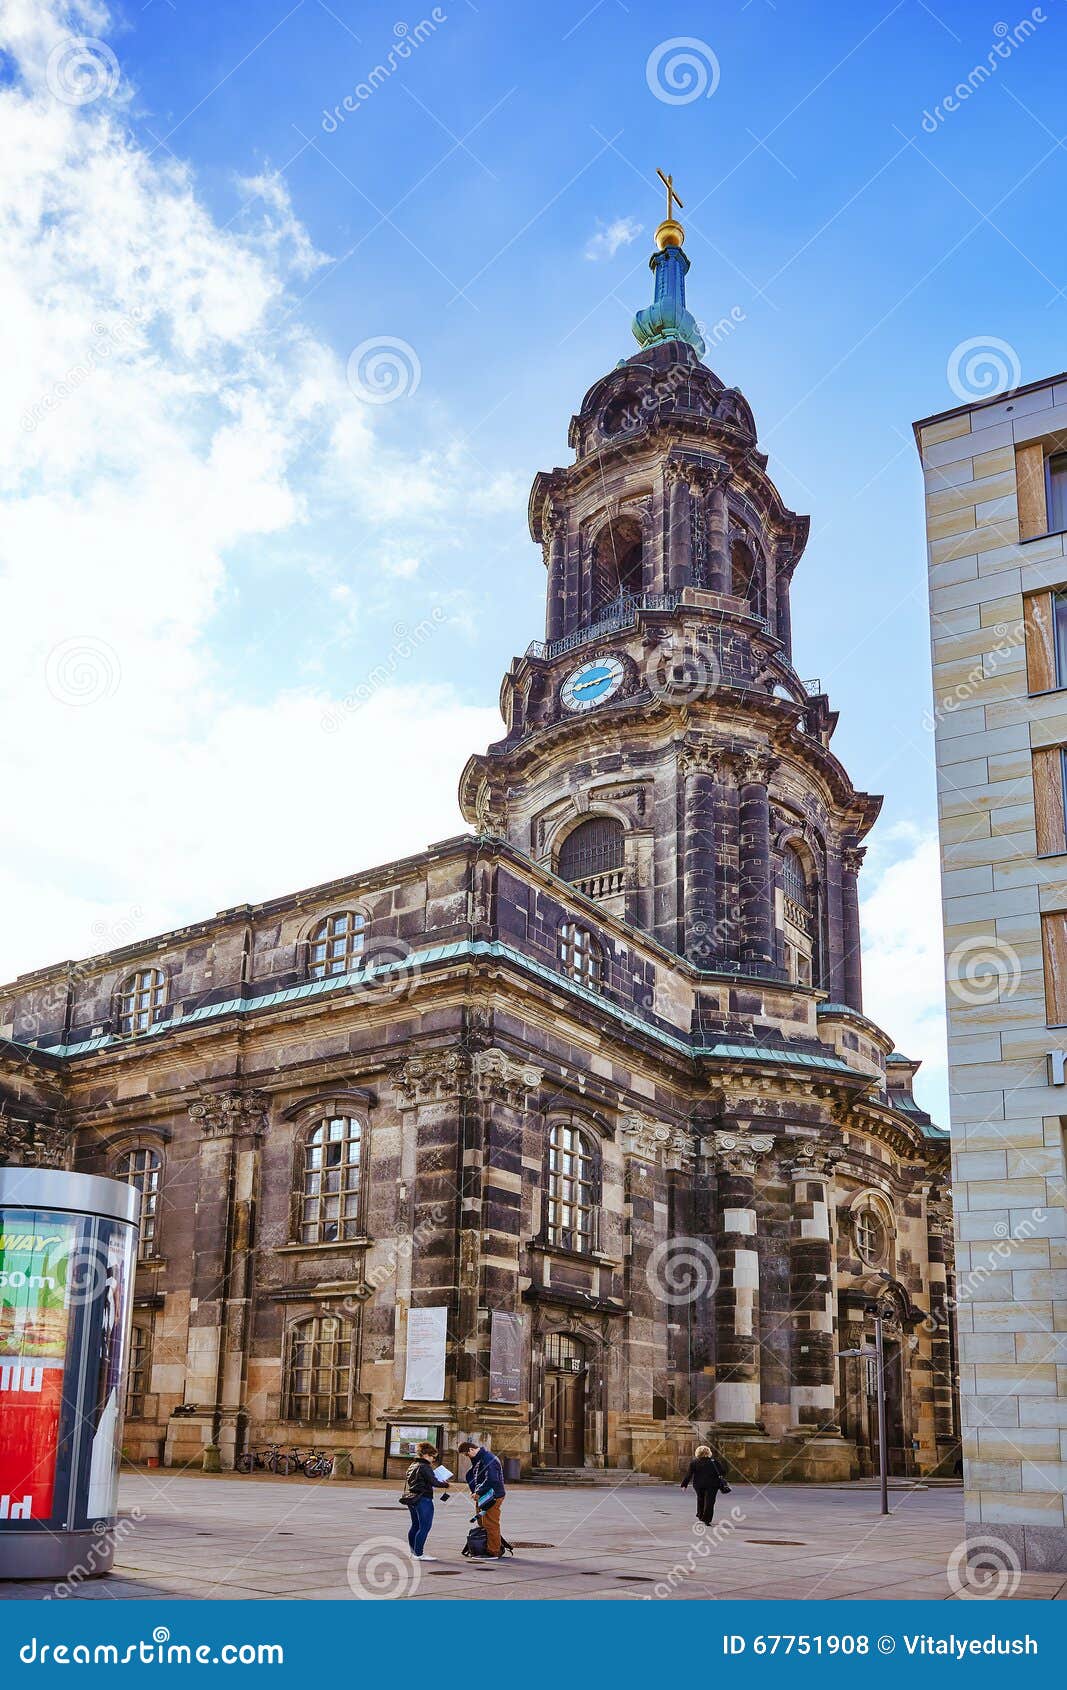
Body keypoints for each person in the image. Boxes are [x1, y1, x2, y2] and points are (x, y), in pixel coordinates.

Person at [458, 1438, 507, 1558]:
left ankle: (494, 1551)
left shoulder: (488, 1458)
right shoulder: (480, 1458)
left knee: (490, 1524)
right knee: (483, 1523)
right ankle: (487, 1547)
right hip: (485, 1495)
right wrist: (476, 1491)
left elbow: (492, 1479)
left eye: (467, 1454)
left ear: (471, 1449)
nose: (467, 1457)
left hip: (493, 1496)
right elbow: (476, 1476)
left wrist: (479, 1491)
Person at [401, 1441, 450, 1561]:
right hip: (423, 1499)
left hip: (412, 1498)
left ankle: (413, 1552)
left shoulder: (413, 1465)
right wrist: (445, 1484)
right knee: (425, 1526)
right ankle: (419, 1553)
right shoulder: (424, 1466)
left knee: (415, 1525)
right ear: (426, 1455)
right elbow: (434, 1482)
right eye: (433, 1457)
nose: (434, 1460)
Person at [681, 1443, 728, 1526]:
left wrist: (684, 1485)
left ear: (698, 1452)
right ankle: (707, 1519)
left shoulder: (694, 1462)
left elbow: (689, 1474)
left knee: (700, 1499)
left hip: (698, 1485)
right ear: (708, 1452)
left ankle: (700, 1515)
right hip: (712, 1485)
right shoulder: (714, 1462)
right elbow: (722, 1472)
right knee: (710, 1502)